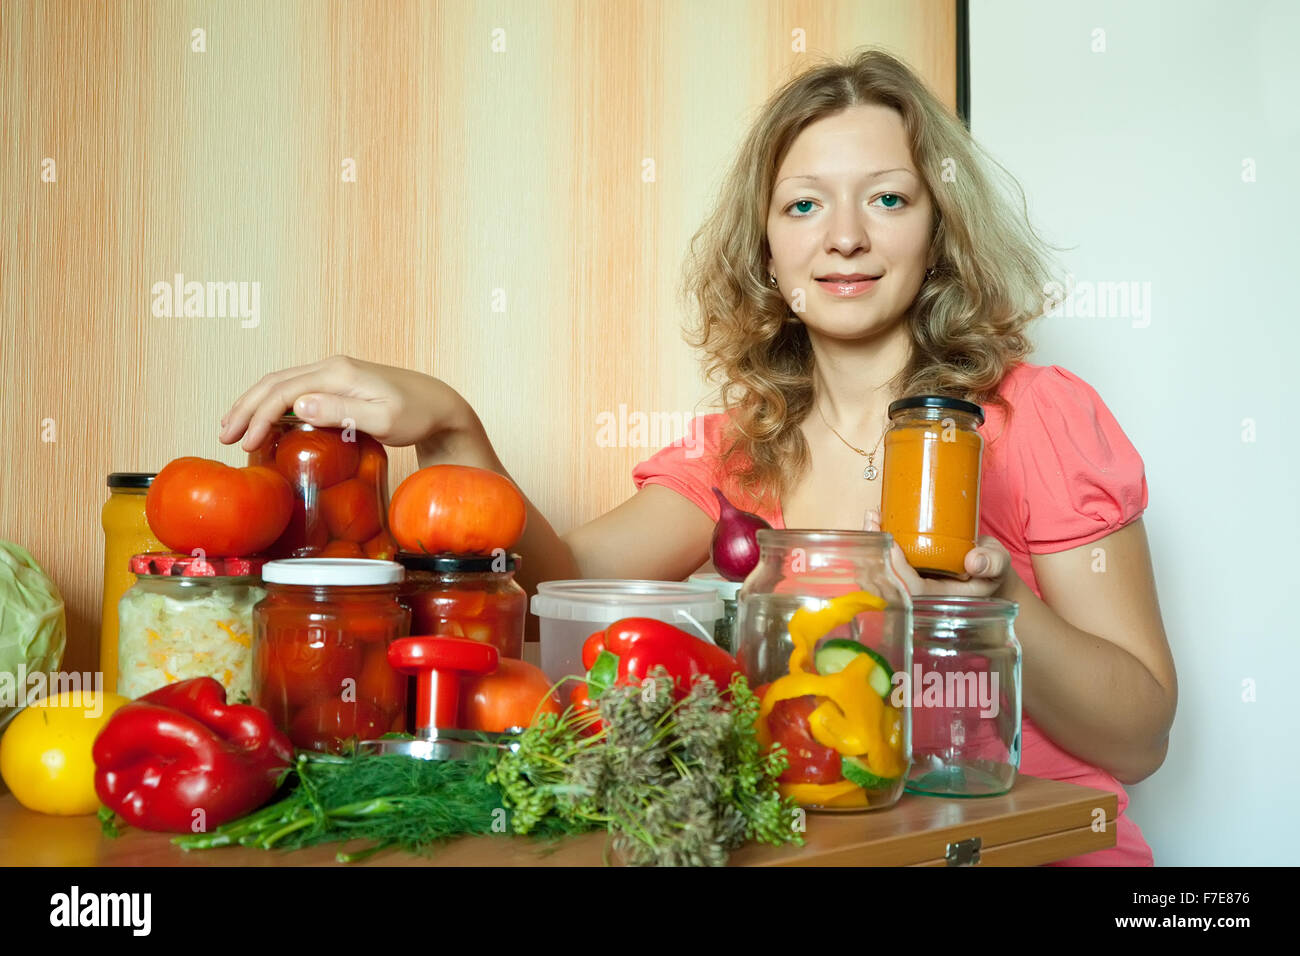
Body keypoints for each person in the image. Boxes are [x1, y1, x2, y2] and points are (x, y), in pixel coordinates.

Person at [220, 48, 1175, 866]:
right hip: (839, 851)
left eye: (888, 198)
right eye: (804, 206)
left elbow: (1139, 740)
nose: (845, 235)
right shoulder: (739, 450)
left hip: (1029, 849)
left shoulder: (1034, 420)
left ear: (940, 233)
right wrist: (453, 426)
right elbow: (561, 584)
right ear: (766, 248)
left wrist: (1001, 609)